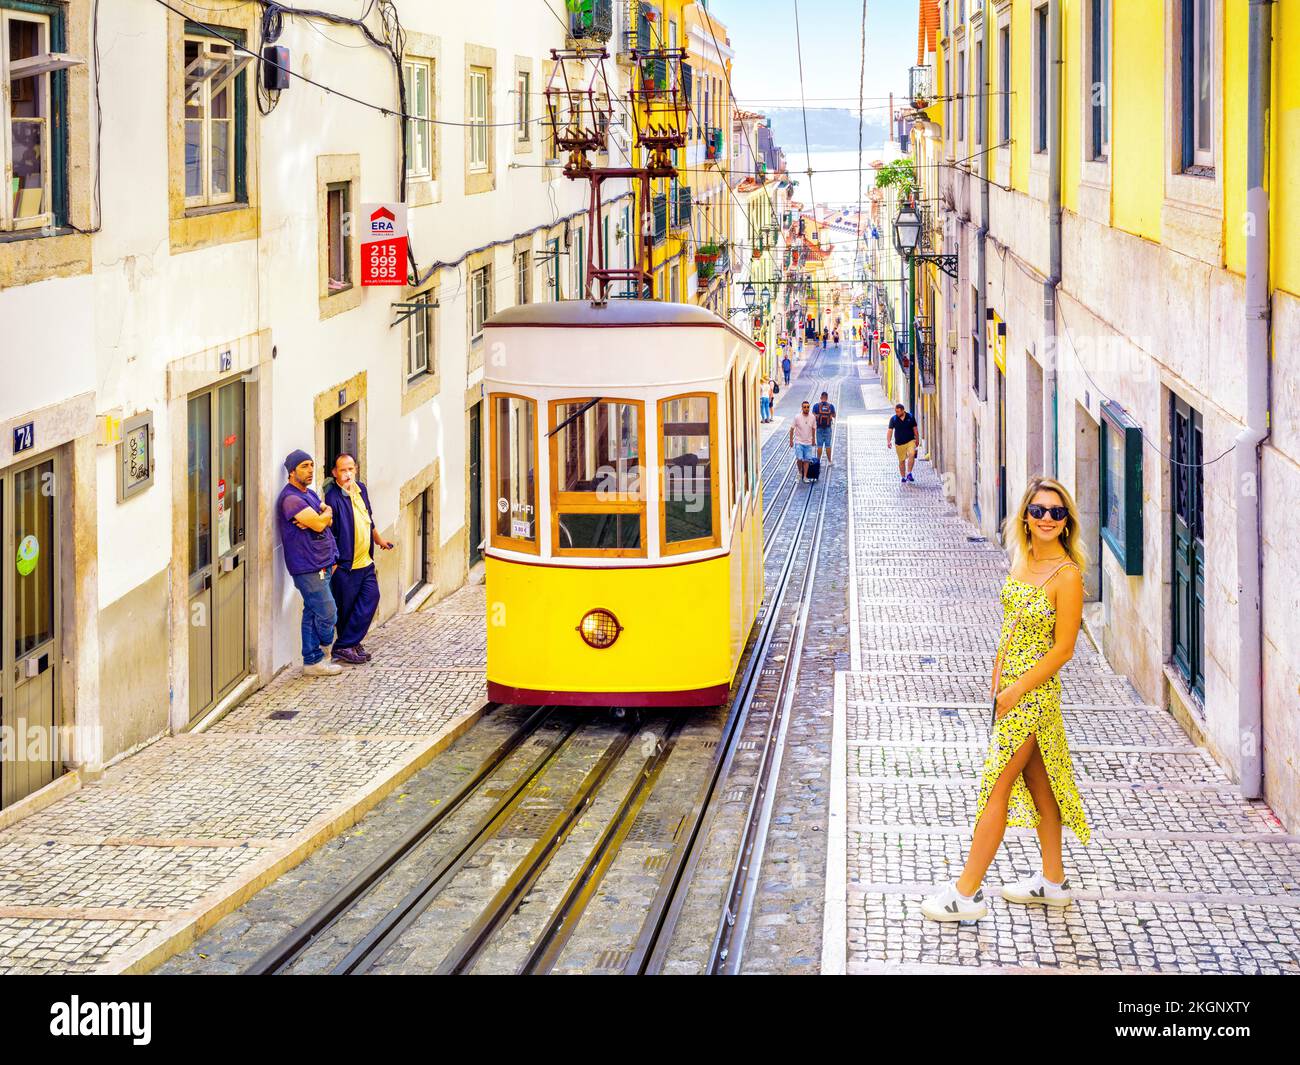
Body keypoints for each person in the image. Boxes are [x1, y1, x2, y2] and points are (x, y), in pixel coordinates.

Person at [921, 478, 1091, 922]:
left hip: (1034, 695)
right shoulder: (1024, 557)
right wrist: (998, 675)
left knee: (995, 787)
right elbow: (1012, 623)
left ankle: (966, 893)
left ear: (1067, 520)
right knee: (1041, 786)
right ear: (1025, 517)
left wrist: (1017, 689)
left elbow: (1063, 649)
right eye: (1039, 510)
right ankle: (1053, 882)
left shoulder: (1066, 575)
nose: (1047, 519)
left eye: (1056, 512)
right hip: (1009, 689)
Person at [324, 453, 394, 665]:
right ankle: (348, 645)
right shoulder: (332, 499)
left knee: (370, 598)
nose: (347, 474)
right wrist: (334, 563)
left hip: (365, 562)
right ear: (334, 473)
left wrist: (379, 540)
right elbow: (329, 534)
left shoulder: (360, 489)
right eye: (343, 470)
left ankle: (348, 643)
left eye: (351, 469)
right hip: (346, 565)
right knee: (346, 609)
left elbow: (368, 520)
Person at [277, 450, 342, 677]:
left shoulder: (310, 494)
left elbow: (327, 519)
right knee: (328, 613)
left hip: (322, 564)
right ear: (292, 471)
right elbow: (317, 524)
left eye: (312, 465)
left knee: (312, 611)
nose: (310, 470)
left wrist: (325, 513)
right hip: (307, 567)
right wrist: (320, 517)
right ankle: (323, 649)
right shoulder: (291, 499)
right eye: (304, 466)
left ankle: (312, 661)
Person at [886, 403, 920, 483]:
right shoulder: (893, 419)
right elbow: (890, 431)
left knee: (912, 454)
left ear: (903, 410)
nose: (896, 413)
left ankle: (909, 473)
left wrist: (917, 439)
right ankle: (903, 477)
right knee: (901, 461)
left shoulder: (910, 417)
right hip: (899, 443)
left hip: (910, 441)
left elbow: (915, 429)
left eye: (898, 412)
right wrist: (888, 441)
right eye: (896, 411)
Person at [789, 399, 817, 483]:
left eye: (808, 407)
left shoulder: (812, 417)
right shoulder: (797, 417)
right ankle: (800, 472)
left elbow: (813, 429)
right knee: (799, 459)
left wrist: (813, 440)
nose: (806, 408)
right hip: (799, 442)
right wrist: (791, 440)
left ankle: (805, 476)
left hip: (808, 442)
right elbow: (791, 429)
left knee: (807, 460)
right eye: (804, 407)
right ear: (802, 408)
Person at [811, 390, 836, 467]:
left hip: (819, 428)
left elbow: (812, 415)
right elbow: (834, 415)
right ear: (827, 398)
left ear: (821, 397)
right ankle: (829, 461)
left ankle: (818, 461)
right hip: (828, 428)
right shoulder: (831, 406)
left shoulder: (816, 406)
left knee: (819, 445)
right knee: (828, 445)